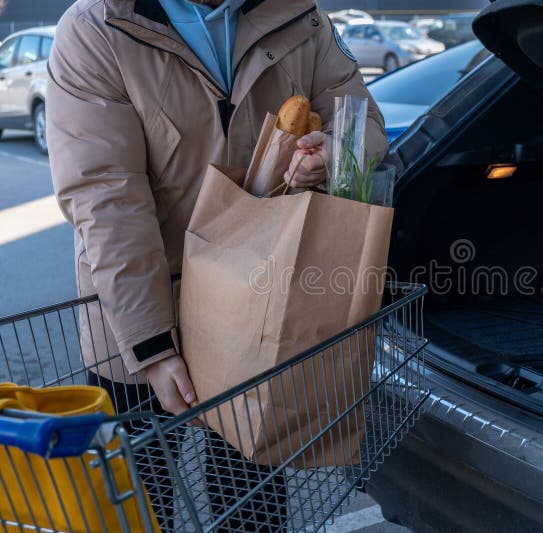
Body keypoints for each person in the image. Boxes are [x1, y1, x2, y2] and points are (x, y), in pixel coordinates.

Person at [47, 0, 388, 530]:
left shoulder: (301, 18)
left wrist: (334, 153)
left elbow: (360, 116)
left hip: (256, 310)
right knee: (141, 503)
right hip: (141, 319)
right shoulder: (98, 28)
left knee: (253, 502)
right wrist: (153, 347)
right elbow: (107, 203)